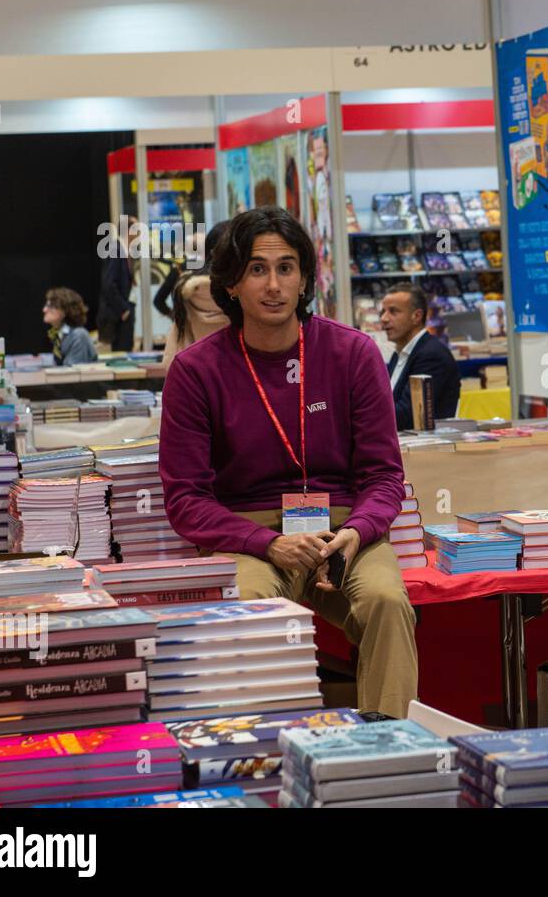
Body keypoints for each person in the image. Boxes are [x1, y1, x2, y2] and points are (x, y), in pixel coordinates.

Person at [159, 205, 417, 717]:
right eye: (257, 269)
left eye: (286, 268)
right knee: (246, 606)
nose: (273, 284)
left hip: (344, 531)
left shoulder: (353, 353)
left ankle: (391, 747)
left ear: (304, 280)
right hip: (248, 535)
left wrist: (359, 531)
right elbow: (185, 500)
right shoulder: (195, 370)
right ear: (230, 283)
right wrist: (269, 542)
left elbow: (385, 475)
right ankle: (262, 756)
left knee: (387, 602)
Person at [378, 283, 461, 431]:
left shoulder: (432, 355)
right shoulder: (399, 354)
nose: (384, 319)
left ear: (417, 316)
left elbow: (408, 415)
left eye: (393, 311)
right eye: (383, 311)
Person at [162, 221, 231, 371]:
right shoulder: (247, 295)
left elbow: (174, 353)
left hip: (197, 375)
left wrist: (172, 314)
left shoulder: (185, 285)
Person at [98, 215, 139, 352]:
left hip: (124, 313)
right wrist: (124, 309)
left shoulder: (125, 251)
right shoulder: (115, 249)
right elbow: (109, 284)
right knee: (121, 354)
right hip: (118, 315)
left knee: (127, 349)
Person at [42, 287, 98, 366]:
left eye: (50, 306)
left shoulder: (78, 335)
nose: (44, 310)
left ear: (65, 311)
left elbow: (72, 373)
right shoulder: (60, 333)